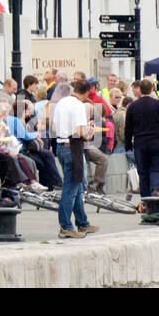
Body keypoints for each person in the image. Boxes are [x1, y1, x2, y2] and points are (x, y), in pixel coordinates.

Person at [50, 81, 98, 238]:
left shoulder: (61, 102)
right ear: (86, 93)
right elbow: (79, 131)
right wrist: (89, 134)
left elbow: (55, 128)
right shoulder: (78, 106)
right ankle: (65, 226)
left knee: (76, 186)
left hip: (60, 146)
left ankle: (82, 223)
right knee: (70, 188)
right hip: (73, 147)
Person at [125, 78, 159, 197]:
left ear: (140, 89)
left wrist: (128, 145)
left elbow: (128, 128)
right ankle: (157, 189)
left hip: (140, 143)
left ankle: (145, 199)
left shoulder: (133, 106)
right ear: (152, 89)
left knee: (143, 171)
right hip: (158, 142)